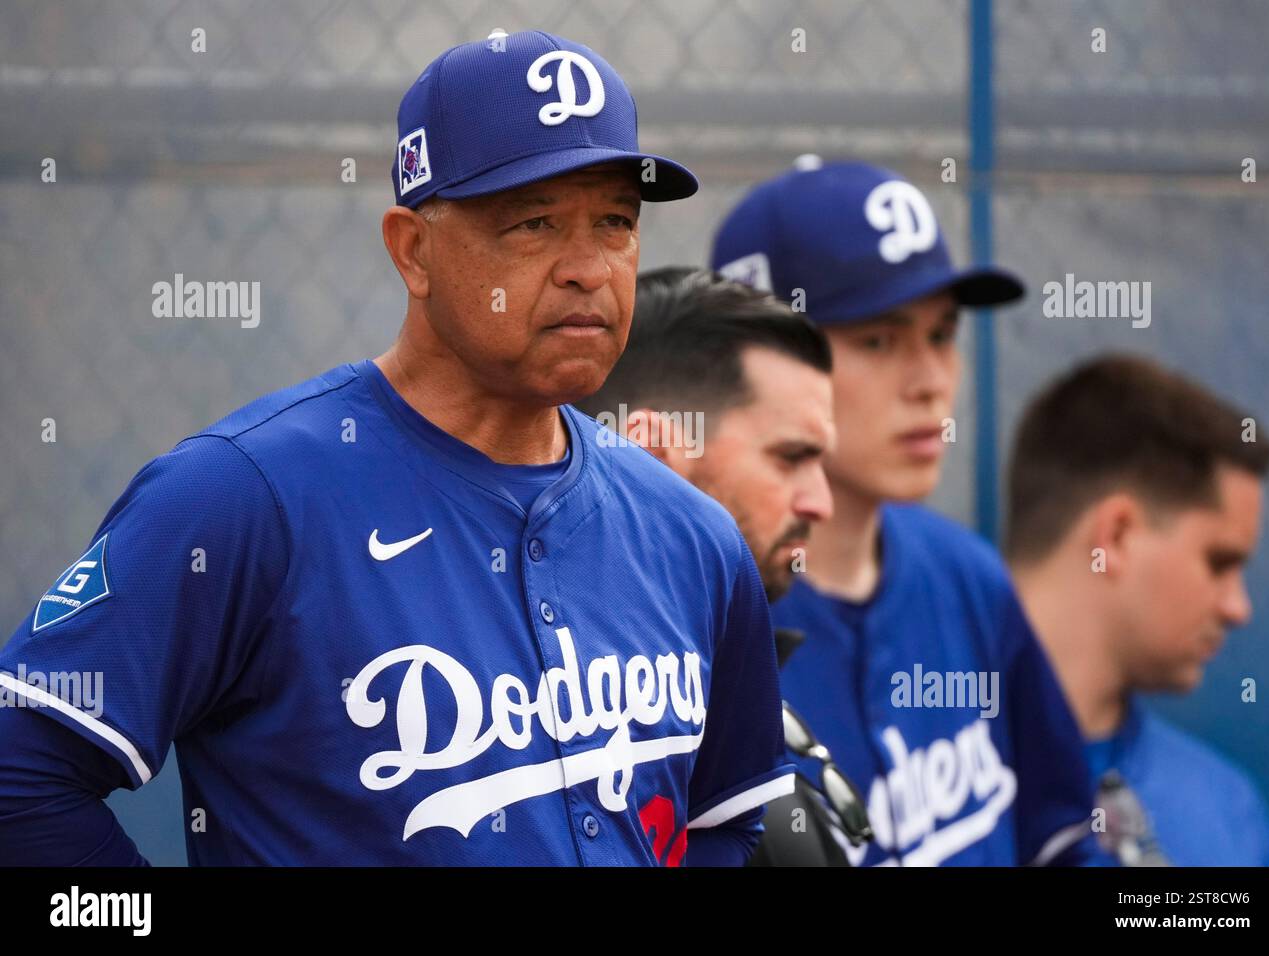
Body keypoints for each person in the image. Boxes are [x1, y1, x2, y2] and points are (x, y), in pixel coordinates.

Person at [0, 30, 792, 866]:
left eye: (616, 223)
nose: (588, 268)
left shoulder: (694, 537)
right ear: (413, 250)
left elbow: (724, 818)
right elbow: (20, 776)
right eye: (534, 223)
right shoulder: (243, 496)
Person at [711, 158, 1106, 865]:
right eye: (877, 340)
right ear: (762, 361)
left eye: (942, 334)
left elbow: (1065, 840)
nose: (930, 381)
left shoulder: (968, 577)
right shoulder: (699, 626)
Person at [577, 267, 871, 864]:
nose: (821, 502)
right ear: (654, 458)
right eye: (792, 458)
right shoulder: (537, 738)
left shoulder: (725, 679)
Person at [1006, 353, 1269, 866]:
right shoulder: (917, 792)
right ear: (1116, 536)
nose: (1238, 608)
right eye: (1219, 562)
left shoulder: (1227, 813)